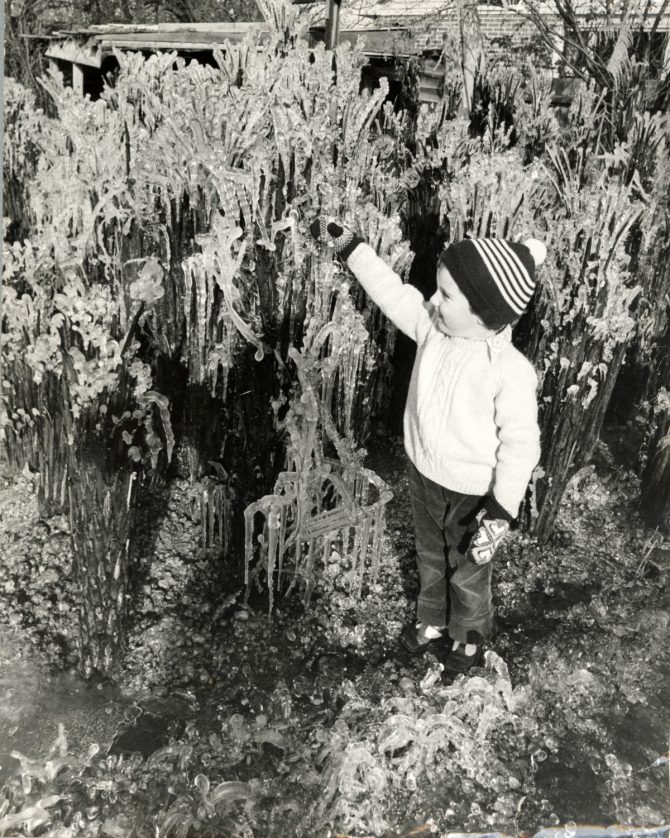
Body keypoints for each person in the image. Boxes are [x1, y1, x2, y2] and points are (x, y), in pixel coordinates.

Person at [310, 218, 544, 679]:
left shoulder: (509, 371)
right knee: (430, 554)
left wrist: (500, 512)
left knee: (469, 567)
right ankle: (433, 619)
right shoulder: (434, 327)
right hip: (424, 473)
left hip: (475, 493)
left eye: (447, 295)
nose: (433, 300)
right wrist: (354, 248)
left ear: (485, 314)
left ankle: (469, 634)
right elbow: (394, 293)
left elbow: (521, 445)